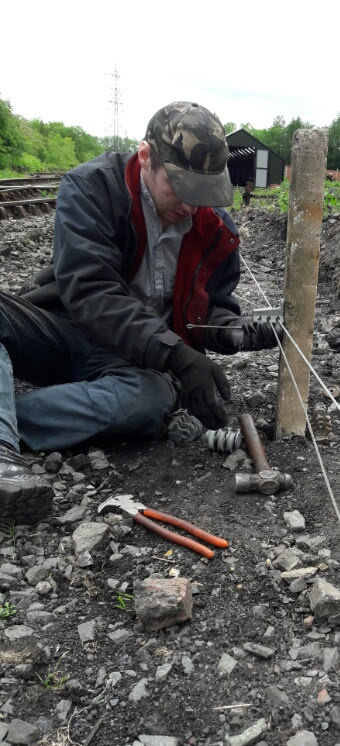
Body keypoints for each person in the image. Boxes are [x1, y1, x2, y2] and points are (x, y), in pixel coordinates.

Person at [0, 101, 280, 525]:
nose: (191, 206)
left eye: (203, 192)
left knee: (150, 401)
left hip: (131, 361)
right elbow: (91, 293)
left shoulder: (214, 227)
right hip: (62, 329)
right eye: (181, 187)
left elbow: (215, 303)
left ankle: (8, 422)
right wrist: (177, 355)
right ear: (146, 156)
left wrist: (228, 330)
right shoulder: (93, 189)